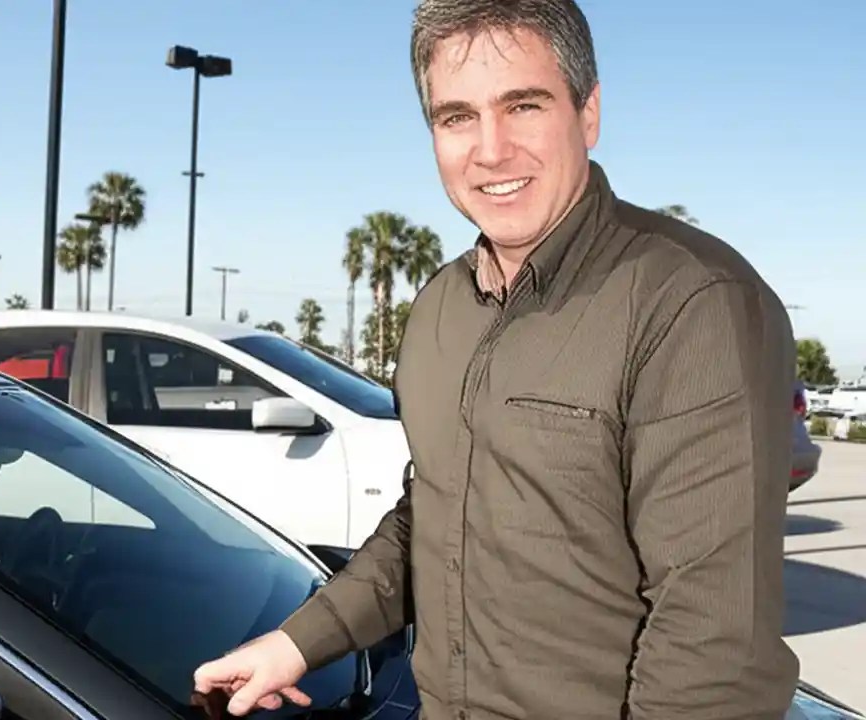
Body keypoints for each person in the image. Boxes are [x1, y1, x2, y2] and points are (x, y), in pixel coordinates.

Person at [191, 0, 801, 718]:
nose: (491, 150)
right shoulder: (441, 309)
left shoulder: (692, 302)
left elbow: (712, 647)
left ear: (588, 113)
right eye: (457, 117)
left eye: (523, 106)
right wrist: (297, 643)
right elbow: (431, 519)